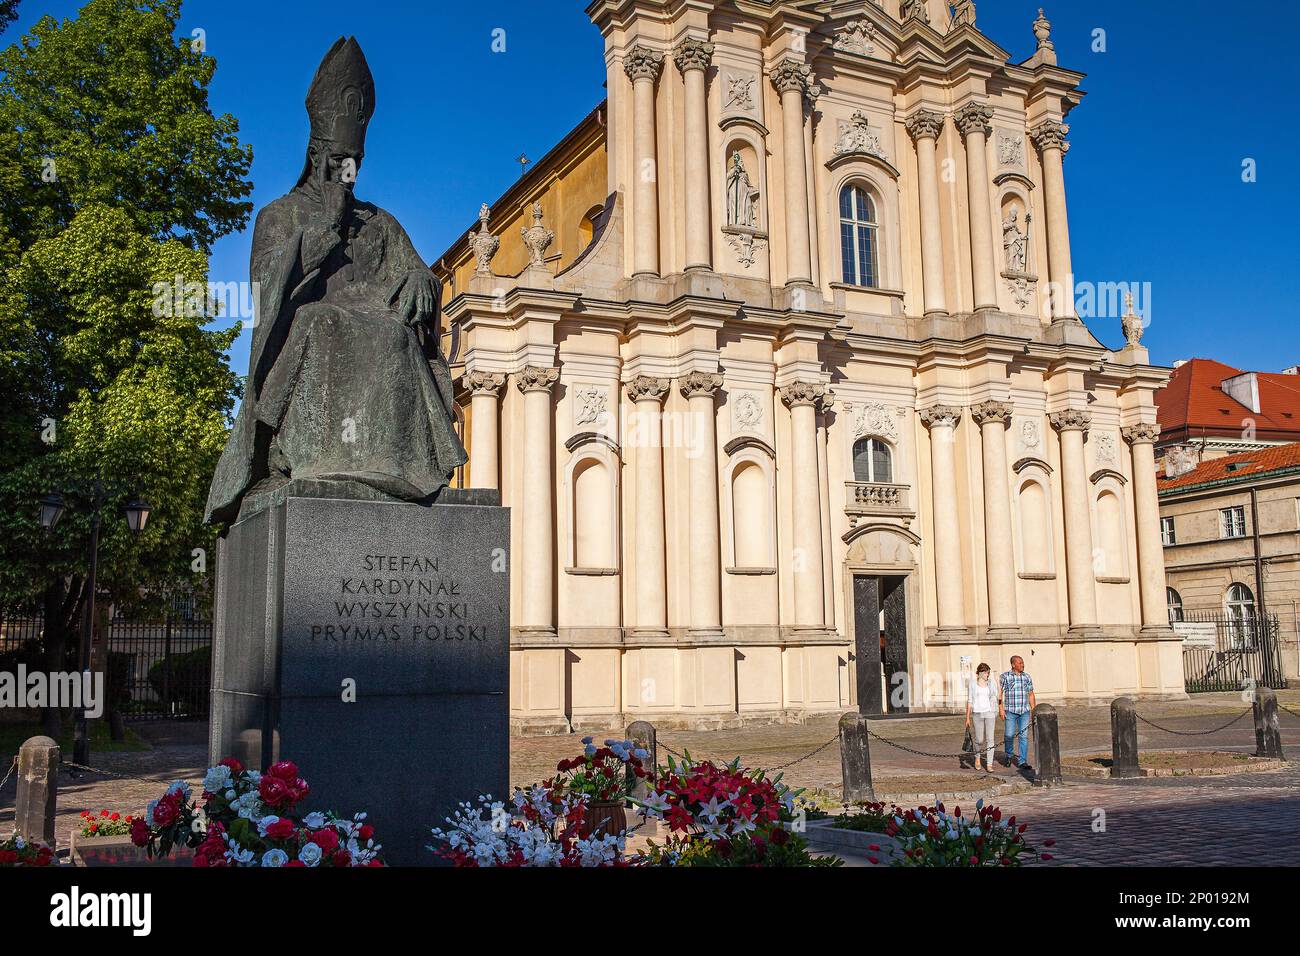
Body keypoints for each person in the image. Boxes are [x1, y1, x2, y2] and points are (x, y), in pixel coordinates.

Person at [998, 655, 1036, 770]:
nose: (1022, 665)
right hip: (1010, 711)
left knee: (1023, 736)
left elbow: (1031, 694)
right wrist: (1001, 709)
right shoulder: (1005, 677)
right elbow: (1000, 694)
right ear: (1013, 664)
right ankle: (1009, 755)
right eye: (1020, 663)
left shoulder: (1027, 677)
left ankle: (1022, 761)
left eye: (1023, 663)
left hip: (1024, 711)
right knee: (1009, 735)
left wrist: (1033, 710)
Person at [965, 663, 997, 772]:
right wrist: (967, 717)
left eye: (988, 672)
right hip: (977, 713)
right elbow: (969, 700)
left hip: (989, 713)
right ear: (980, 673)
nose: (988, 674)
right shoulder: (973, 684)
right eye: (986, 672)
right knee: (979, 740)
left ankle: (989, 764)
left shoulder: (991, 683)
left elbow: (995, 696)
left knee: (990, 739)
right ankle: (977, 757)